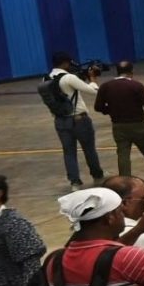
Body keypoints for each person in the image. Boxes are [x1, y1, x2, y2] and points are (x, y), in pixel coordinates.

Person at [94, 61, 144, 184]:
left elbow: (98, 107)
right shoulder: (136, 85)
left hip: (118, 125)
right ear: (131, 72)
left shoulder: (106, 86)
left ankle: (124, 182)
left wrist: (110, 111)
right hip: (138, 124)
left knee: (123, 154)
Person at [43, 53, 107, 190]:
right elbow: (94, 91)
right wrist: (93, 78)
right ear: (65, 63)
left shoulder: (46, 79)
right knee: (89, 149)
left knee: (69, 152)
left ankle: (75, 182)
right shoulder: (69, 78)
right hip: (79, 120)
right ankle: (97, 174)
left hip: (60, 121)